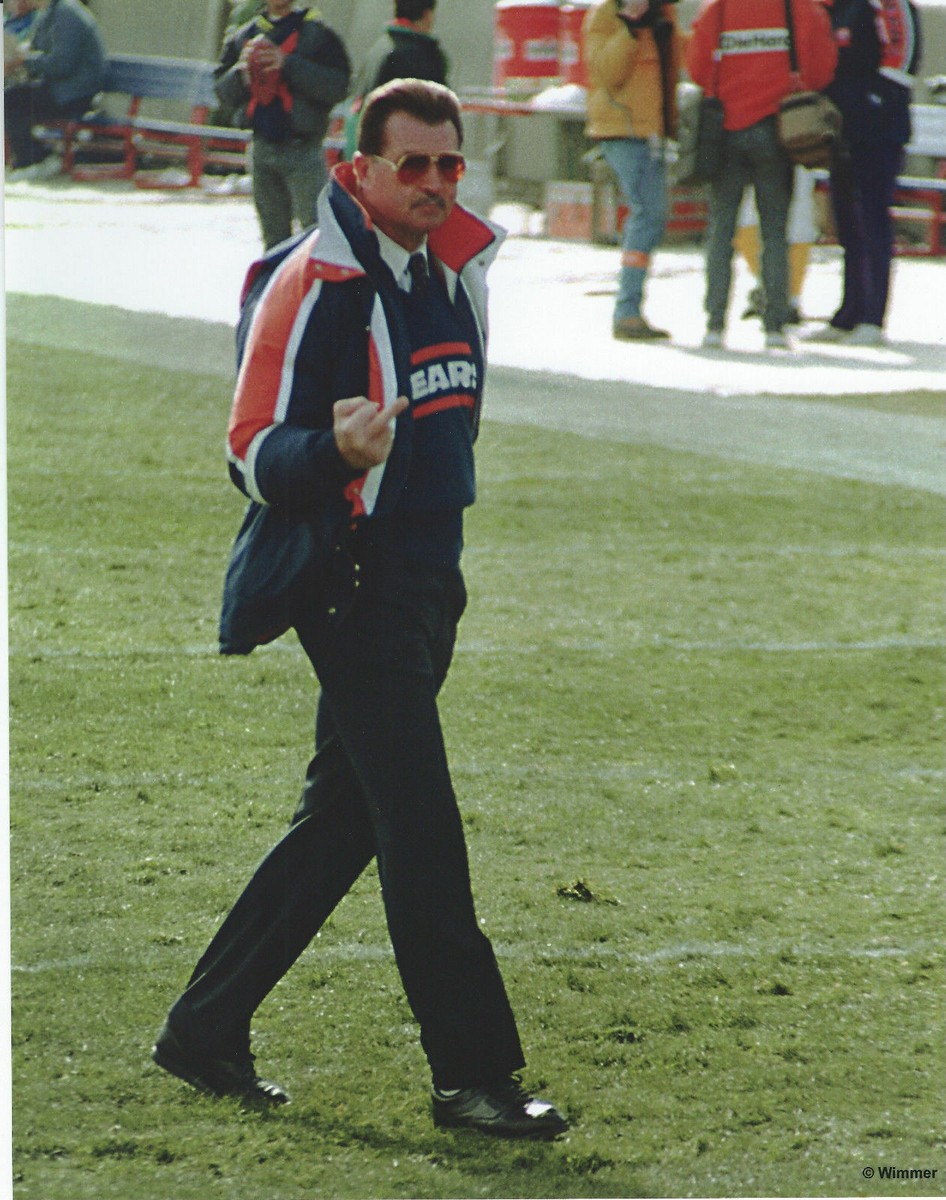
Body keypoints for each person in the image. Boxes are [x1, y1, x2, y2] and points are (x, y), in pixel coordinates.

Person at [151, 77, 570, 1142]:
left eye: (448, 163)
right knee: (420, 827)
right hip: (351, 583)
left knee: (344, 821)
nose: (433, 181)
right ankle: (471, 1074)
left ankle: (203, 1028)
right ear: (359, 167)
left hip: (430, 579)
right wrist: (335, 452)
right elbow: (248, 451)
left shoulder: (454, 270)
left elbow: (453, 430)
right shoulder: (313, 280)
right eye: (411, 163)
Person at [686, 0, 837, 349]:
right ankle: (775, 326)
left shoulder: (716, 8)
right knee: (775, 233)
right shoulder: (800, 8)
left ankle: (714, 324)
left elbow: (696, 68)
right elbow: (822, 70)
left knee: (720, 231)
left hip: (725, 132)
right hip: (776, 130)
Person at [811, 0, 922, 346]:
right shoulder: (835, 6)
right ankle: (850, 312)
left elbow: (904, 51)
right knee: (846, 221)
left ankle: (873, 316)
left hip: (879, 128)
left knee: (872, 218)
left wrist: (875, 99)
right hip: (842, 127)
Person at [582, 0, 684, 340]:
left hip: (651, 131)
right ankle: (627, 312)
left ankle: (629, 309)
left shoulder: (664, 15)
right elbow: (606, 73)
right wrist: (630, 26)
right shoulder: (606, 15)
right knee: (648, 214)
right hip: (622, 130)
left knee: (651, 215)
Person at [214, 0, 350, 249]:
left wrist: (287, 63)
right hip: (262, 147)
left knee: (316, 234)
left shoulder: (318, 34)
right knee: (273, 240)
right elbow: (223, 93)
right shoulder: (246, 35)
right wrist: (241, 72)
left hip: (303, 149)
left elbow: (338, 87)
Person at [4, 0, 106, 181]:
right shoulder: (48, 13)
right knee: (13, 96)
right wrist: (18, 57)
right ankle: (38, 157)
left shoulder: (66, 13)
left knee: (12, 100)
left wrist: (25, 61)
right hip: (59, 90)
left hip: (75, 94)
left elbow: (61, 64)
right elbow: (36, 50)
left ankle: (35, 161)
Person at [342, 1, 448, 160]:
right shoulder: (425, 56)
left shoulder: (379, 47)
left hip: (366, 153)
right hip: (402, 160)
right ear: (428, 15)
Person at [734, 165, 818, 325]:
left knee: (798, 219)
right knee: (743, 219)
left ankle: (791, 300)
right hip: (751, 156)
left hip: (796, 157)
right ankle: (769, 290)